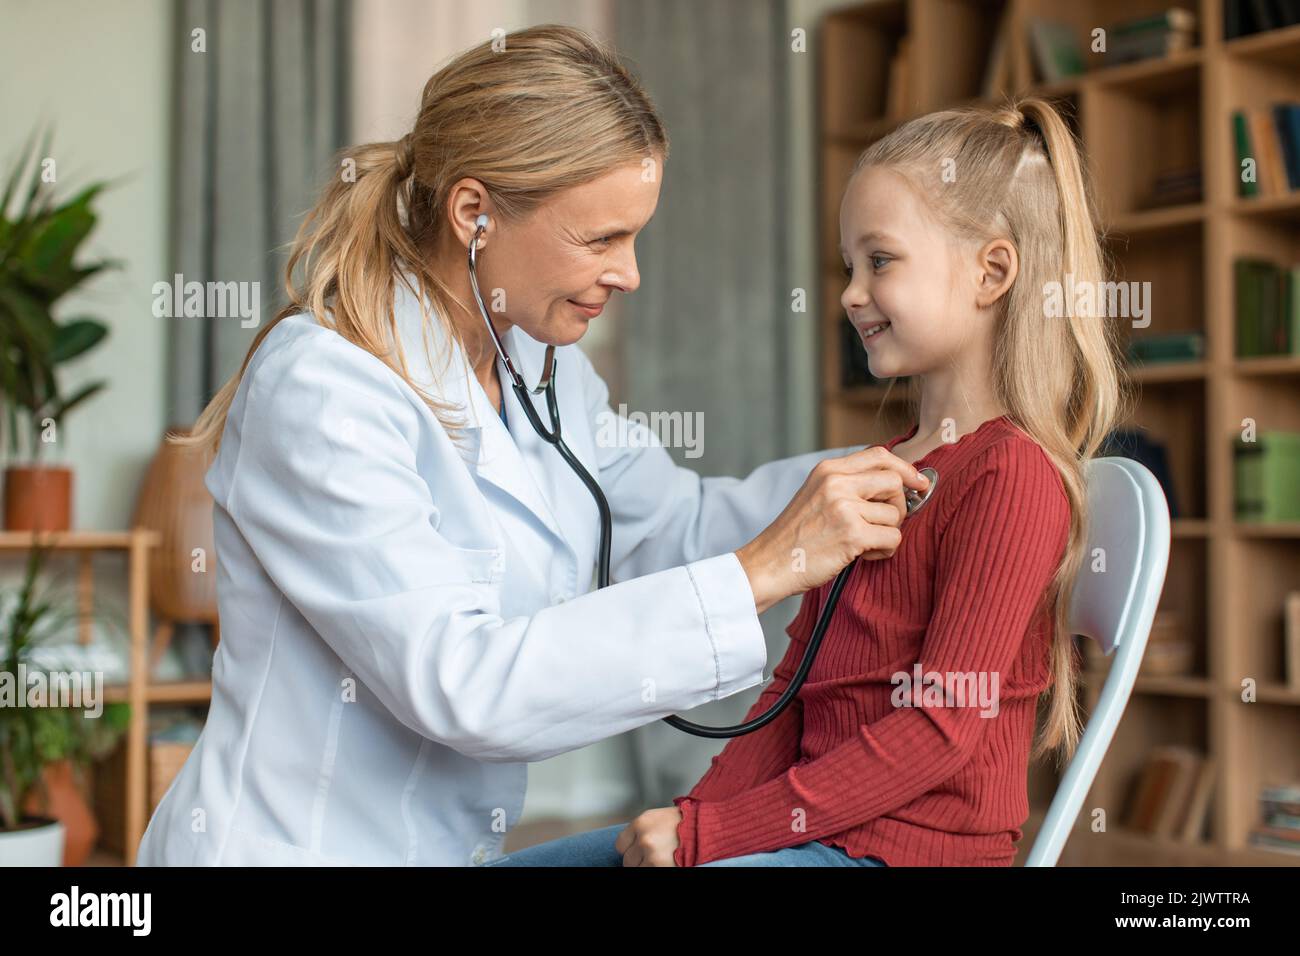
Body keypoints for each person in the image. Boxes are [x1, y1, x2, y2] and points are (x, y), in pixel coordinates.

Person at [135, 24, 926, 867]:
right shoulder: (323, 389)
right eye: (600, 240)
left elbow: (676, 526)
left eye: (635, 236)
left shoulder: (540, 369)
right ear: (474, 213)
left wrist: (884, 475)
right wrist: (768, 566)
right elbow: (461, 684)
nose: (630, 274)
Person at [487, 96, 1132, 867]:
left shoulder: (1011, 475)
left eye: (880, 261)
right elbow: (793, 694)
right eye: (848, 267)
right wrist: (692, 820)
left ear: (991, 271)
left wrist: (707, 837)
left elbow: (941, 729)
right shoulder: (879, 472)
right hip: (818, 837)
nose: (851, 293)